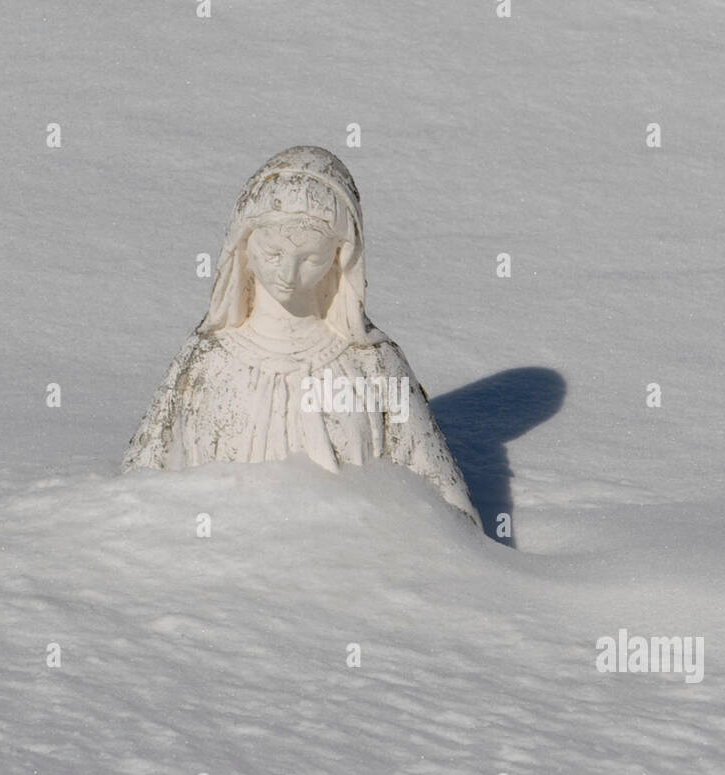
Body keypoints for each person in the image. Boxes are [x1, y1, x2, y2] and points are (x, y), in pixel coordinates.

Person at [124, 146, 478, 523]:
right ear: (244, 246)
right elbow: (137, 493)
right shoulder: (204, 361)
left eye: (310, 259)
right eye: (273, 254)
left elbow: (451, 517)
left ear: (339, 258)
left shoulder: (373, 365)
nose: (288, 277)